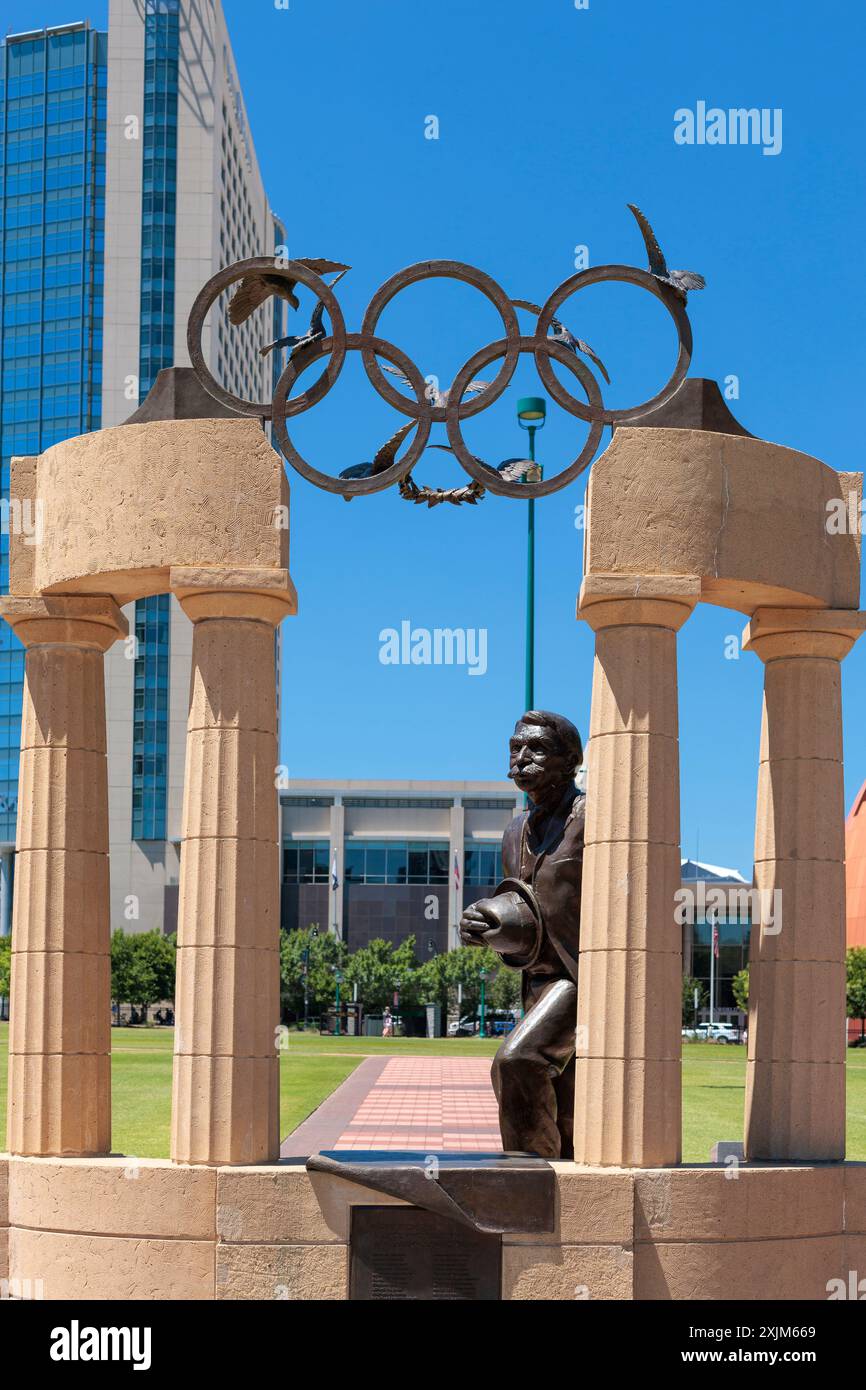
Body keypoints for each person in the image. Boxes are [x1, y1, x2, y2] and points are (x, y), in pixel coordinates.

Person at [459, 709, 584, 1159]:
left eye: (536, 750)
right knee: (562, 1102)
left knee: (516, 1061)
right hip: (535, 980)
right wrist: (484, 924)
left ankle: (530, 1179)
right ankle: (565, 1186)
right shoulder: (514, 832)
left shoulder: (591, 817)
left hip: (580, 979)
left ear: (569, 759)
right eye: (515, 749)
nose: (521, 759)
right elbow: (523, 909)